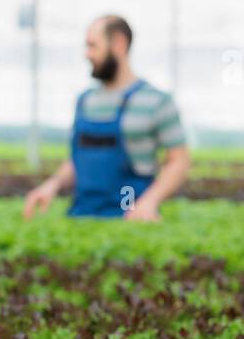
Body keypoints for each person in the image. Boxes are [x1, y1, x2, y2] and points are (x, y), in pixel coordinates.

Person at [23, 14, 190, 221]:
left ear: (118, 43)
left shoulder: (156, 101)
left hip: (129, 216)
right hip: (80, 217)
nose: (87, 54)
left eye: (93, 46)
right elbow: (80, 159)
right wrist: (52, 185)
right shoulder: (85, 101)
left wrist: (149, 203)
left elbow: (179, 161)